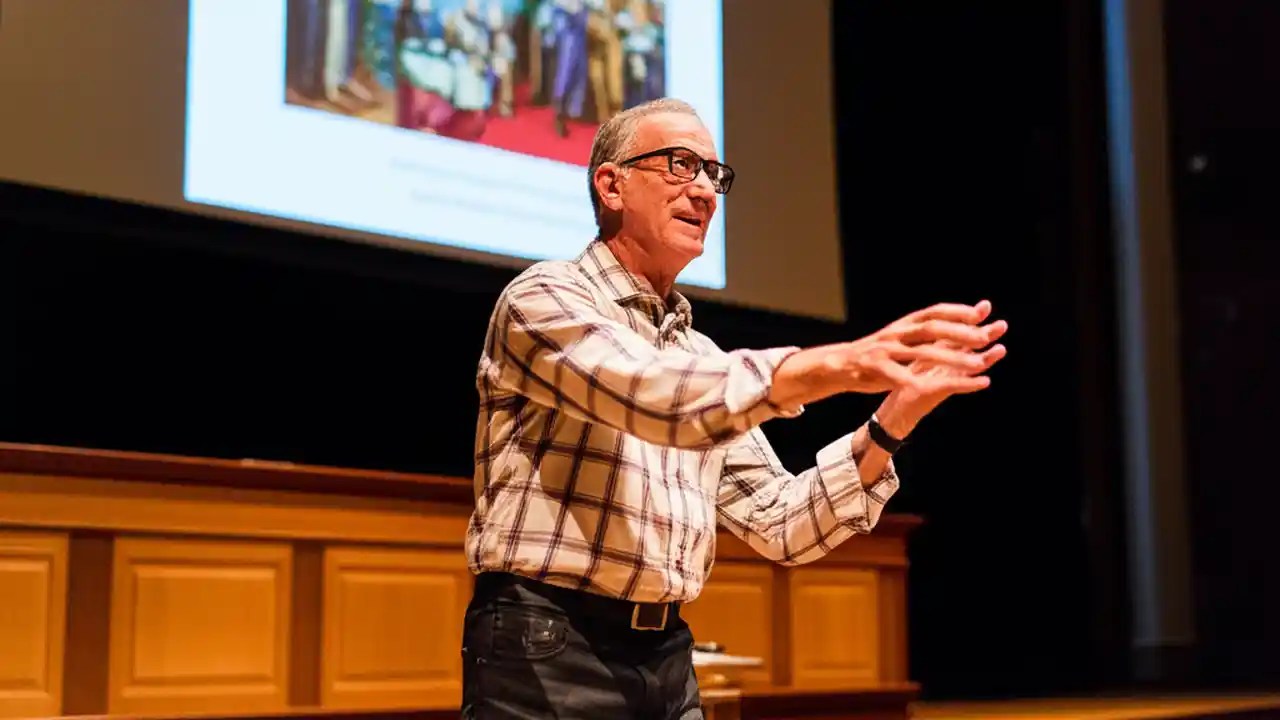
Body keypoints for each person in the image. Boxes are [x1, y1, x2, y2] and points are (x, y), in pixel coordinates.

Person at [460, 97, 1008, 719]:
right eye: (679, 164)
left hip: (666, 656)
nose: (703, 190)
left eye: (713, 175)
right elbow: (652, 396)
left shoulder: (698, 353)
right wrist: (839, 364)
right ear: (611, 185)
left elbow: (781, 524)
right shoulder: (543, 299)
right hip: (548, 647)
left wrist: (893, 421)